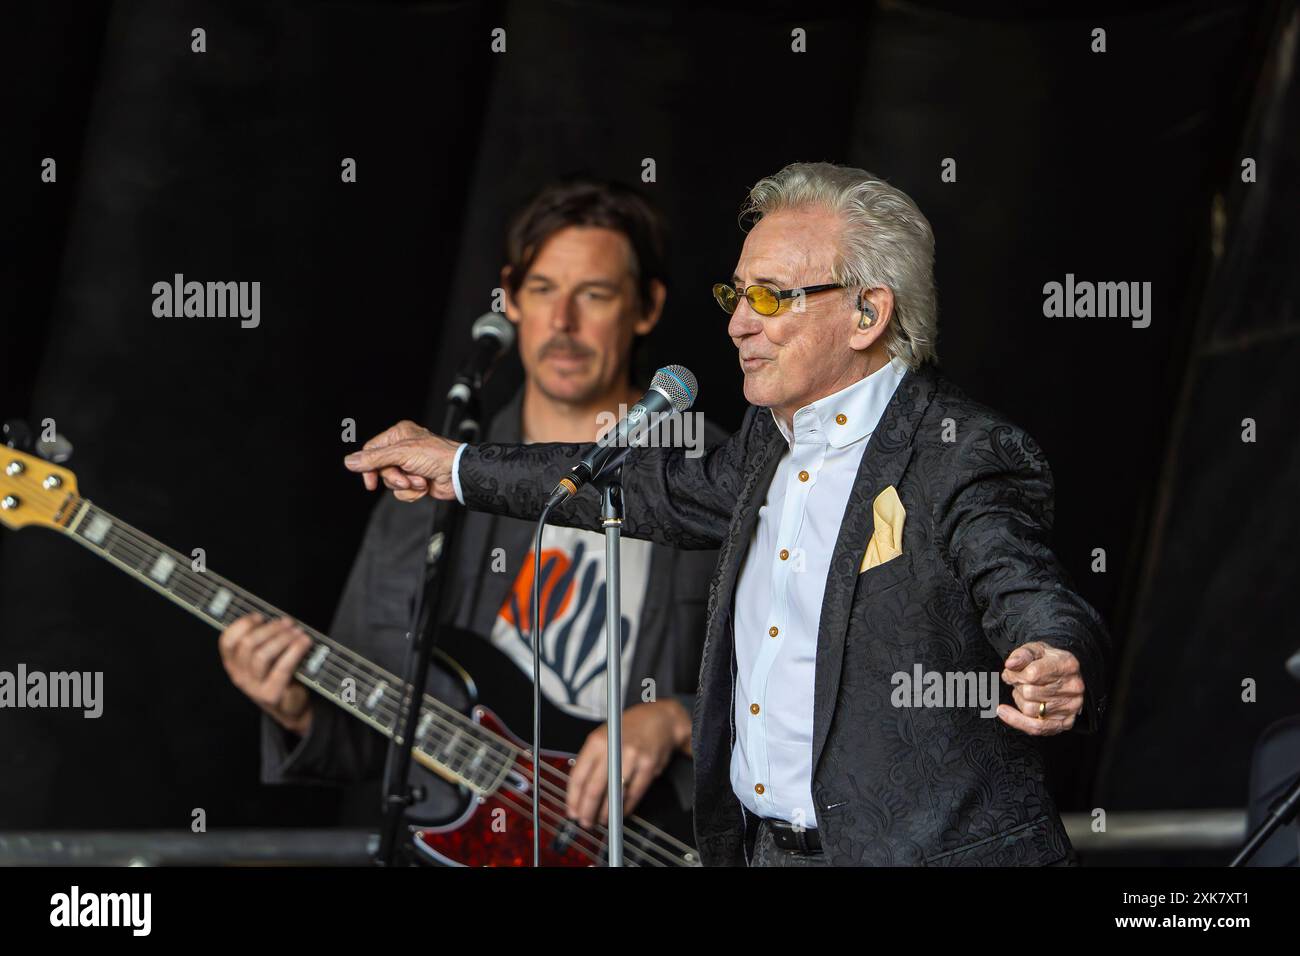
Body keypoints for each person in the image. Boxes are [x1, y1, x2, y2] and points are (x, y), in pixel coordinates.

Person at [343, 162, 1112, 867]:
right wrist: (455, 465)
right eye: (736, 295)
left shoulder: (961, 450)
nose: (739, 322)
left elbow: (1024, 586)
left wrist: (1053, 654)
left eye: (772, 297)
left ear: (868, 313)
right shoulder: (764, 446)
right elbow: (643, 485)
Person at [218, 178, 724, 843]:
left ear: (646, 306)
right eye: (542, 291)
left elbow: (804, 700)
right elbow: (374, 734)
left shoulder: (710, 474)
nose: (563, 324)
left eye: (594, 294)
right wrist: (293, 707)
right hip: (475, 841)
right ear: (511, 299)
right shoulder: (432, 482)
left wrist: (676, 720)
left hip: (649, 840)